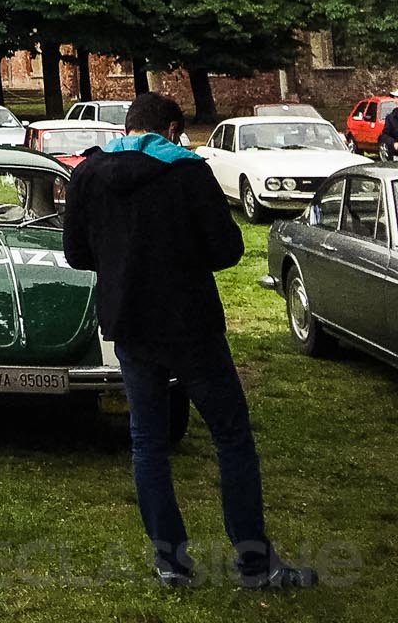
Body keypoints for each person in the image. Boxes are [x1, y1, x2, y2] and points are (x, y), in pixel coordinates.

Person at [66, 92, 315, 591]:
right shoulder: (188, 172)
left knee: (148, 442)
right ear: (172, 128)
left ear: (129, 126)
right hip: (189, 323)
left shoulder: (89, 174)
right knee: (231, 436)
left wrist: (119, 262)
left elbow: (76, 253)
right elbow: (226, 249)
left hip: (130, 322)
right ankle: (254, 562)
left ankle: (170, 561)